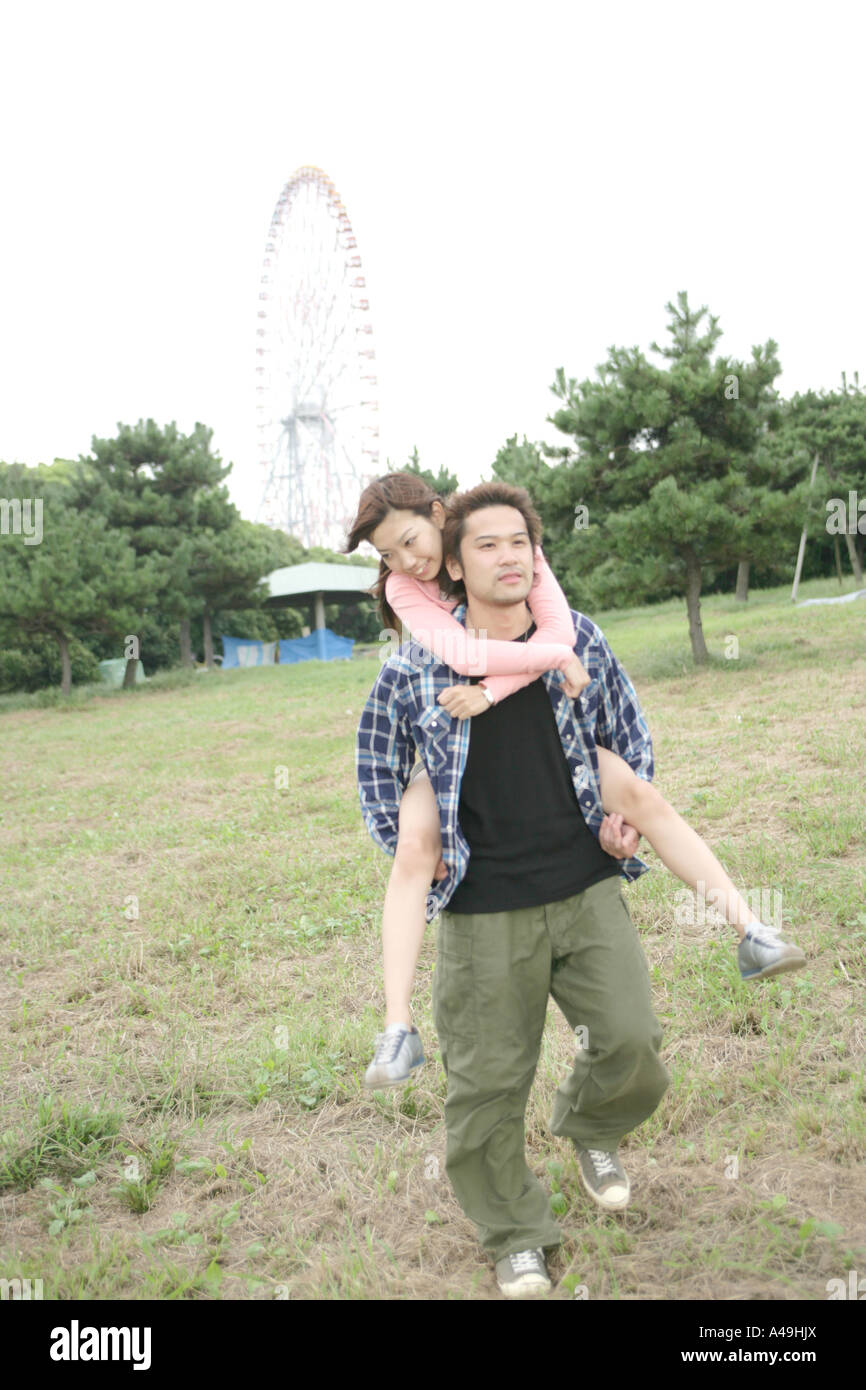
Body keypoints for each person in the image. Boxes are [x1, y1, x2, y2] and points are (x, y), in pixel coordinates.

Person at [346, 473, 805, 1096]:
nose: (406, 561)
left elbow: (573, 657)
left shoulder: (515, 557)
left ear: (437, 513)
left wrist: (520, 681)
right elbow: (458, 664)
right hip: (449, 759)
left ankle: (752, 930)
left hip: (564, 750)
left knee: (644, 797)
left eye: (409, 541)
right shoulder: (408, 599)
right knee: (413, 847)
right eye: (388, 555)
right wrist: (513, 680)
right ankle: (397, 1027)